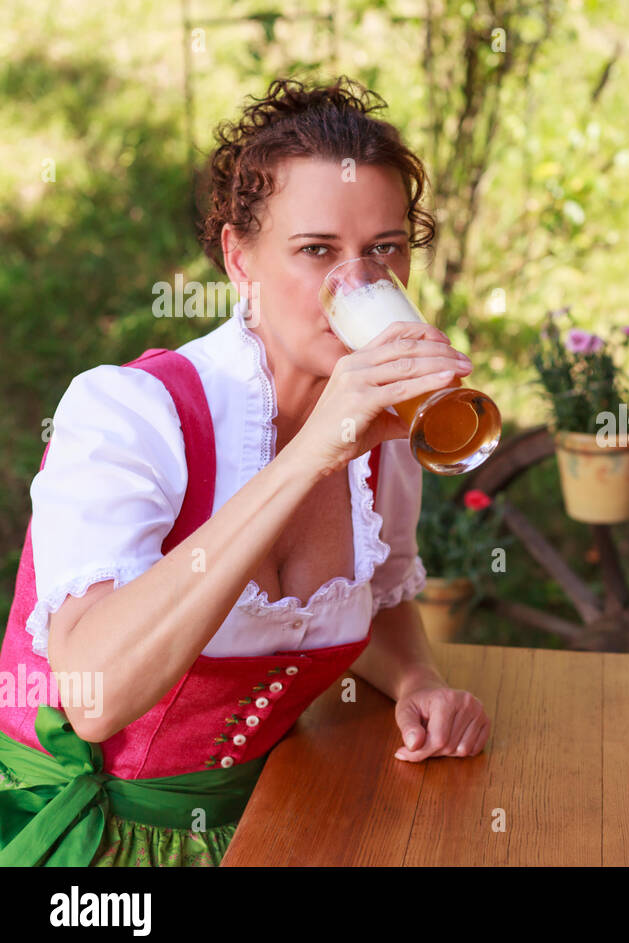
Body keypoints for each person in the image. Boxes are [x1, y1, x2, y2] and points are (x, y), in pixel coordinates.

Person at [0, 76, 490, 866]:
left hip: (270, 818)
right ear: (239, 257)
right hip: (72, 841)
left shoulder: (387, 441)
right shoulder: (127, 415)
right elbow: (94, 698)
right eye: (316, 251)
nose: (353, 282)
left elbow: (381, 589)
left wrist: (418, 679)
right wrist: (313, 452)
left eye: (384, 250)